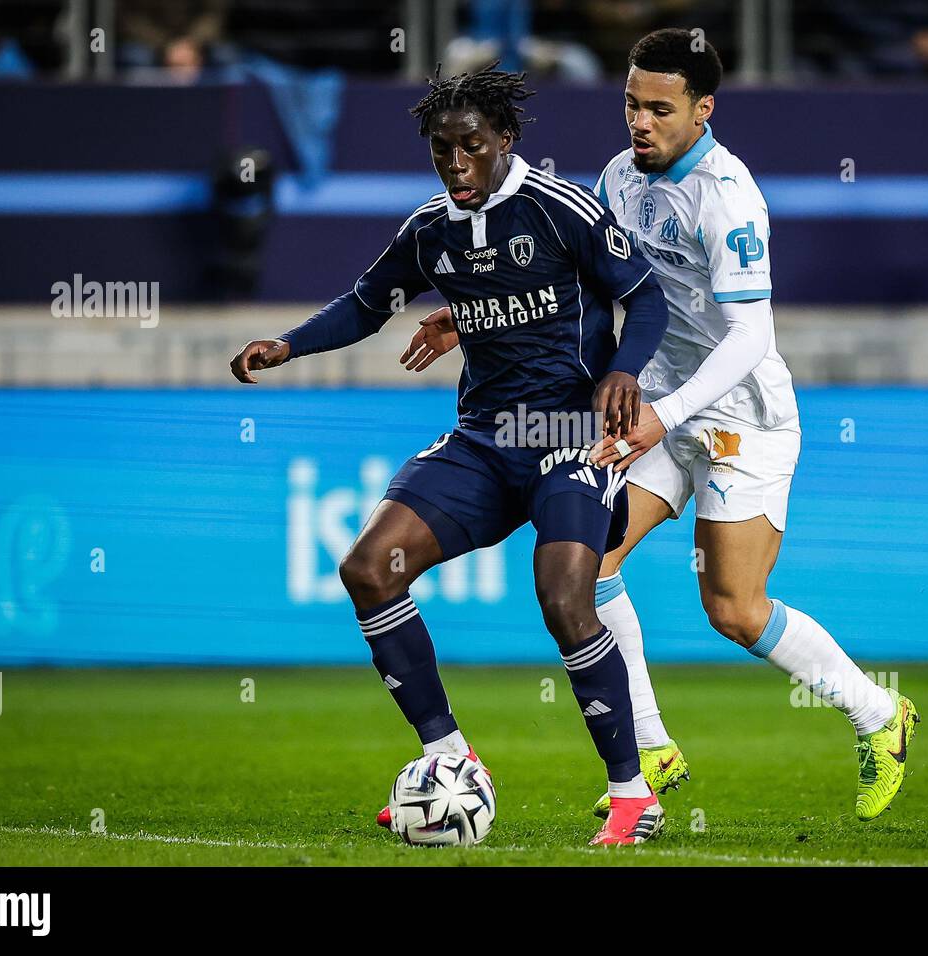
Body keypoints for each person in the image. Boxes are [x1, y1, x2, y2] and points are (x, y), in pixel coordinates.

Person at [403, 31, 921, 823]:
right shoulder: (617, 177)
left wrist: (667, 414)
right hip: (657, 408)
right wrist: (468, 318)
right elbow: (579, 278)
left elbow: (749, 338)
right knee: (589, 562)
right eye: (631, 104)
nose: (640, 122)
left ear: (702, 110)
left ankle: (879, 715)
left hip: (740, 419)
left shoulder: (729, 197)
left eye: (659, 109)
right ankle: (649, 745)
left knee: (734, 610)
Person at [230, 65, 671, 846]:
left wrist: (625, 372)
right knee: (368, 568)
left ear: (505, 140)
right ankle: (450, 759)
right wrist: (289, 344)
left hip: (570, 437)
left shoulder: (562, 209)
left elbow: (648, 297)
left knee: (566, 599)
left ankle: (633, 795)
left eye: (471, 146)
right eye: (443, 151)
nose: (457, 164)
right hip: (484, 439)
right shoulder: (431, 228)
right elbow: (368, 305)